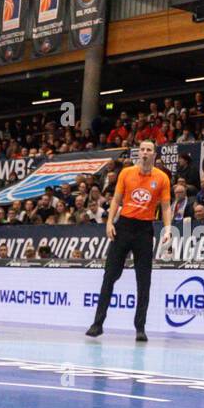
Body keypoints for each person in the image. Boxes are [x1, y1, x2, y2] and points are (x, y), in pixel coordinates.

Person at [86, 140, 172, 341]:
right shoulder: (126, 173)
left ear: (154, 154)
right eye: (141, 150)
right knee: (109, 276)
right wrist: (109, 223)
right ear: (138, 153)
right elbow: (116, 200)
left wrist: (167, 229)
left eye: (148, 150)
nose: (144, 153)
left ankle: (140, 327)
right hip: (124, 226)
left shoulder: (162, 178)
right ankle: (97, 324)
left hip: (144, 229)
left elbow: (166, 206)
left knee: (144, 280)